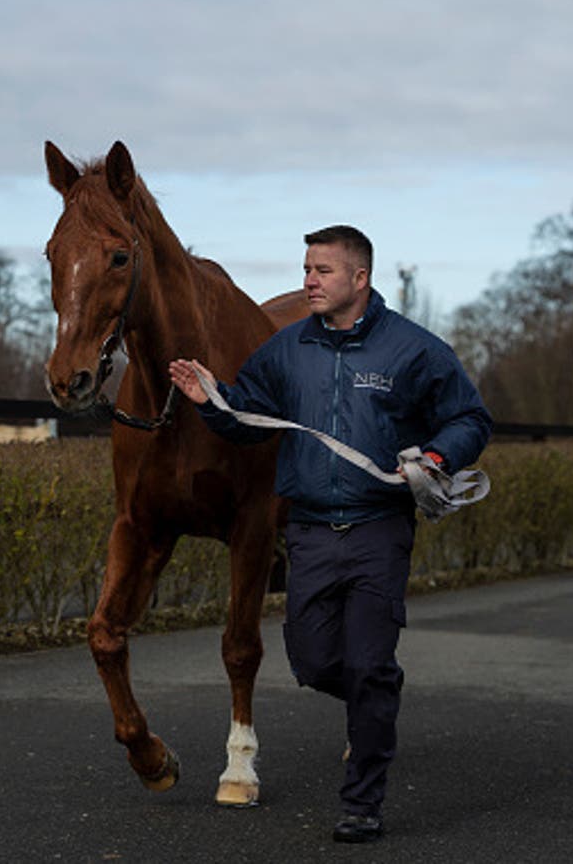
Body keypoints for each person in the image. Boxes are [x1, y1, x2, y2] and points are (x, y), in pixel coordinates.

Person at [168, 224, 492, 843]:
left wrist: (437, 458)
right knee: (315, 664)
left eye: (323, 271)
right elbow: (248, 421)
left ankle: (362, 802)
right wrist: (208, 400)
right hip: (311, 531)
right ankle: (378, 698)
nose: (308, 281)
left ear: (360, 279)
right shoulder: (286, 350)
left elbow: (471, 416)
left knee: (368, 665)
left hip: (377, 529)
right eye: (307, 268)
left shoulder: (413, 350)